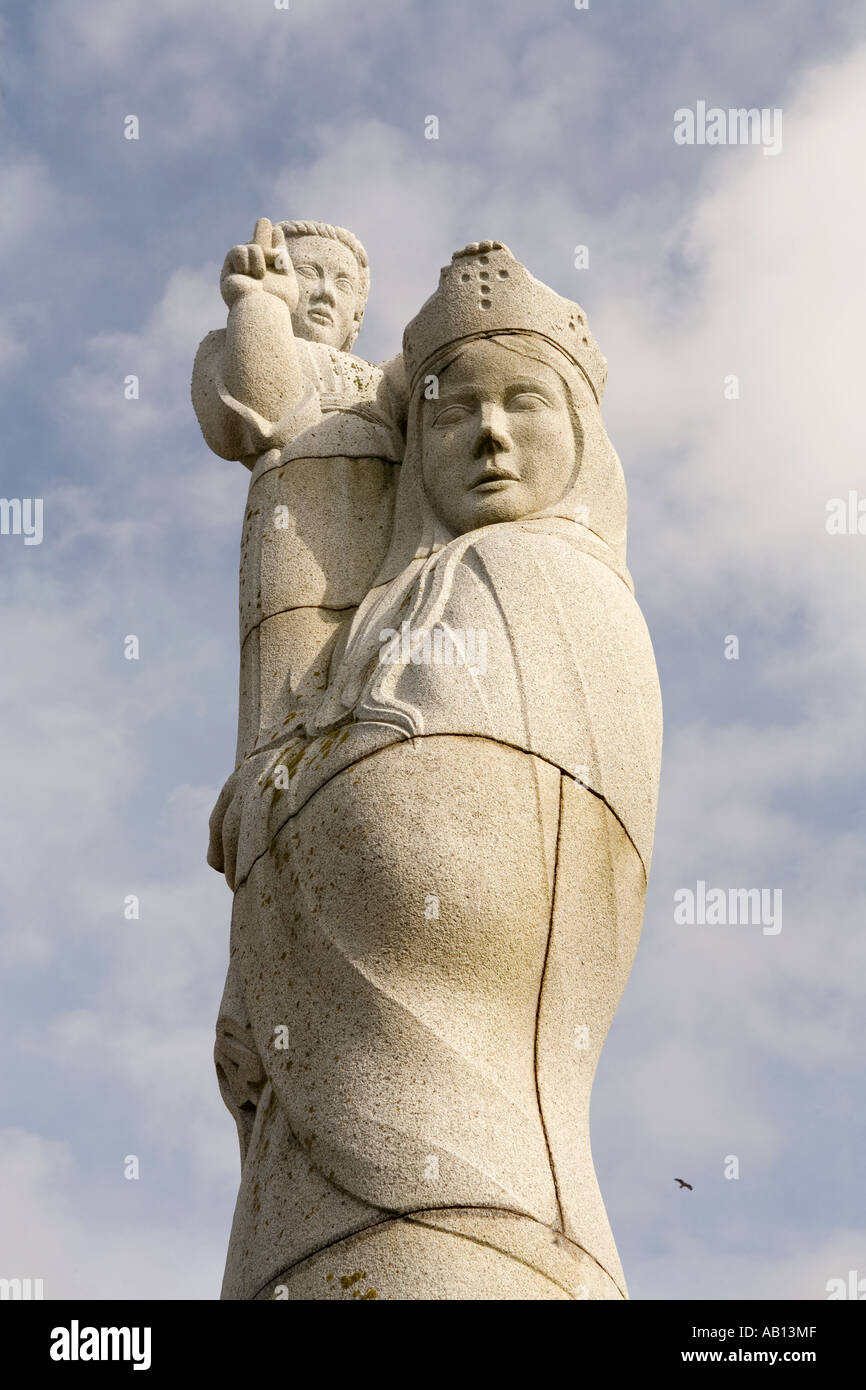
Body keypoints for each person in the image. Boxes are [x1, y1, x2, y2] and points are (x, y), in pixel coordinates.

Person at [209, 241, 662, 1300]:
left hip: (469, 1186)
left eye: (521, 403)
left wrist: (279, 793)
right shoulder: (407, 595)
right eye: (452, 410)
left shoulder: (541, 576)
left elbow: (420, 851)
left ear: (579, 433)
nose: (489, 432)